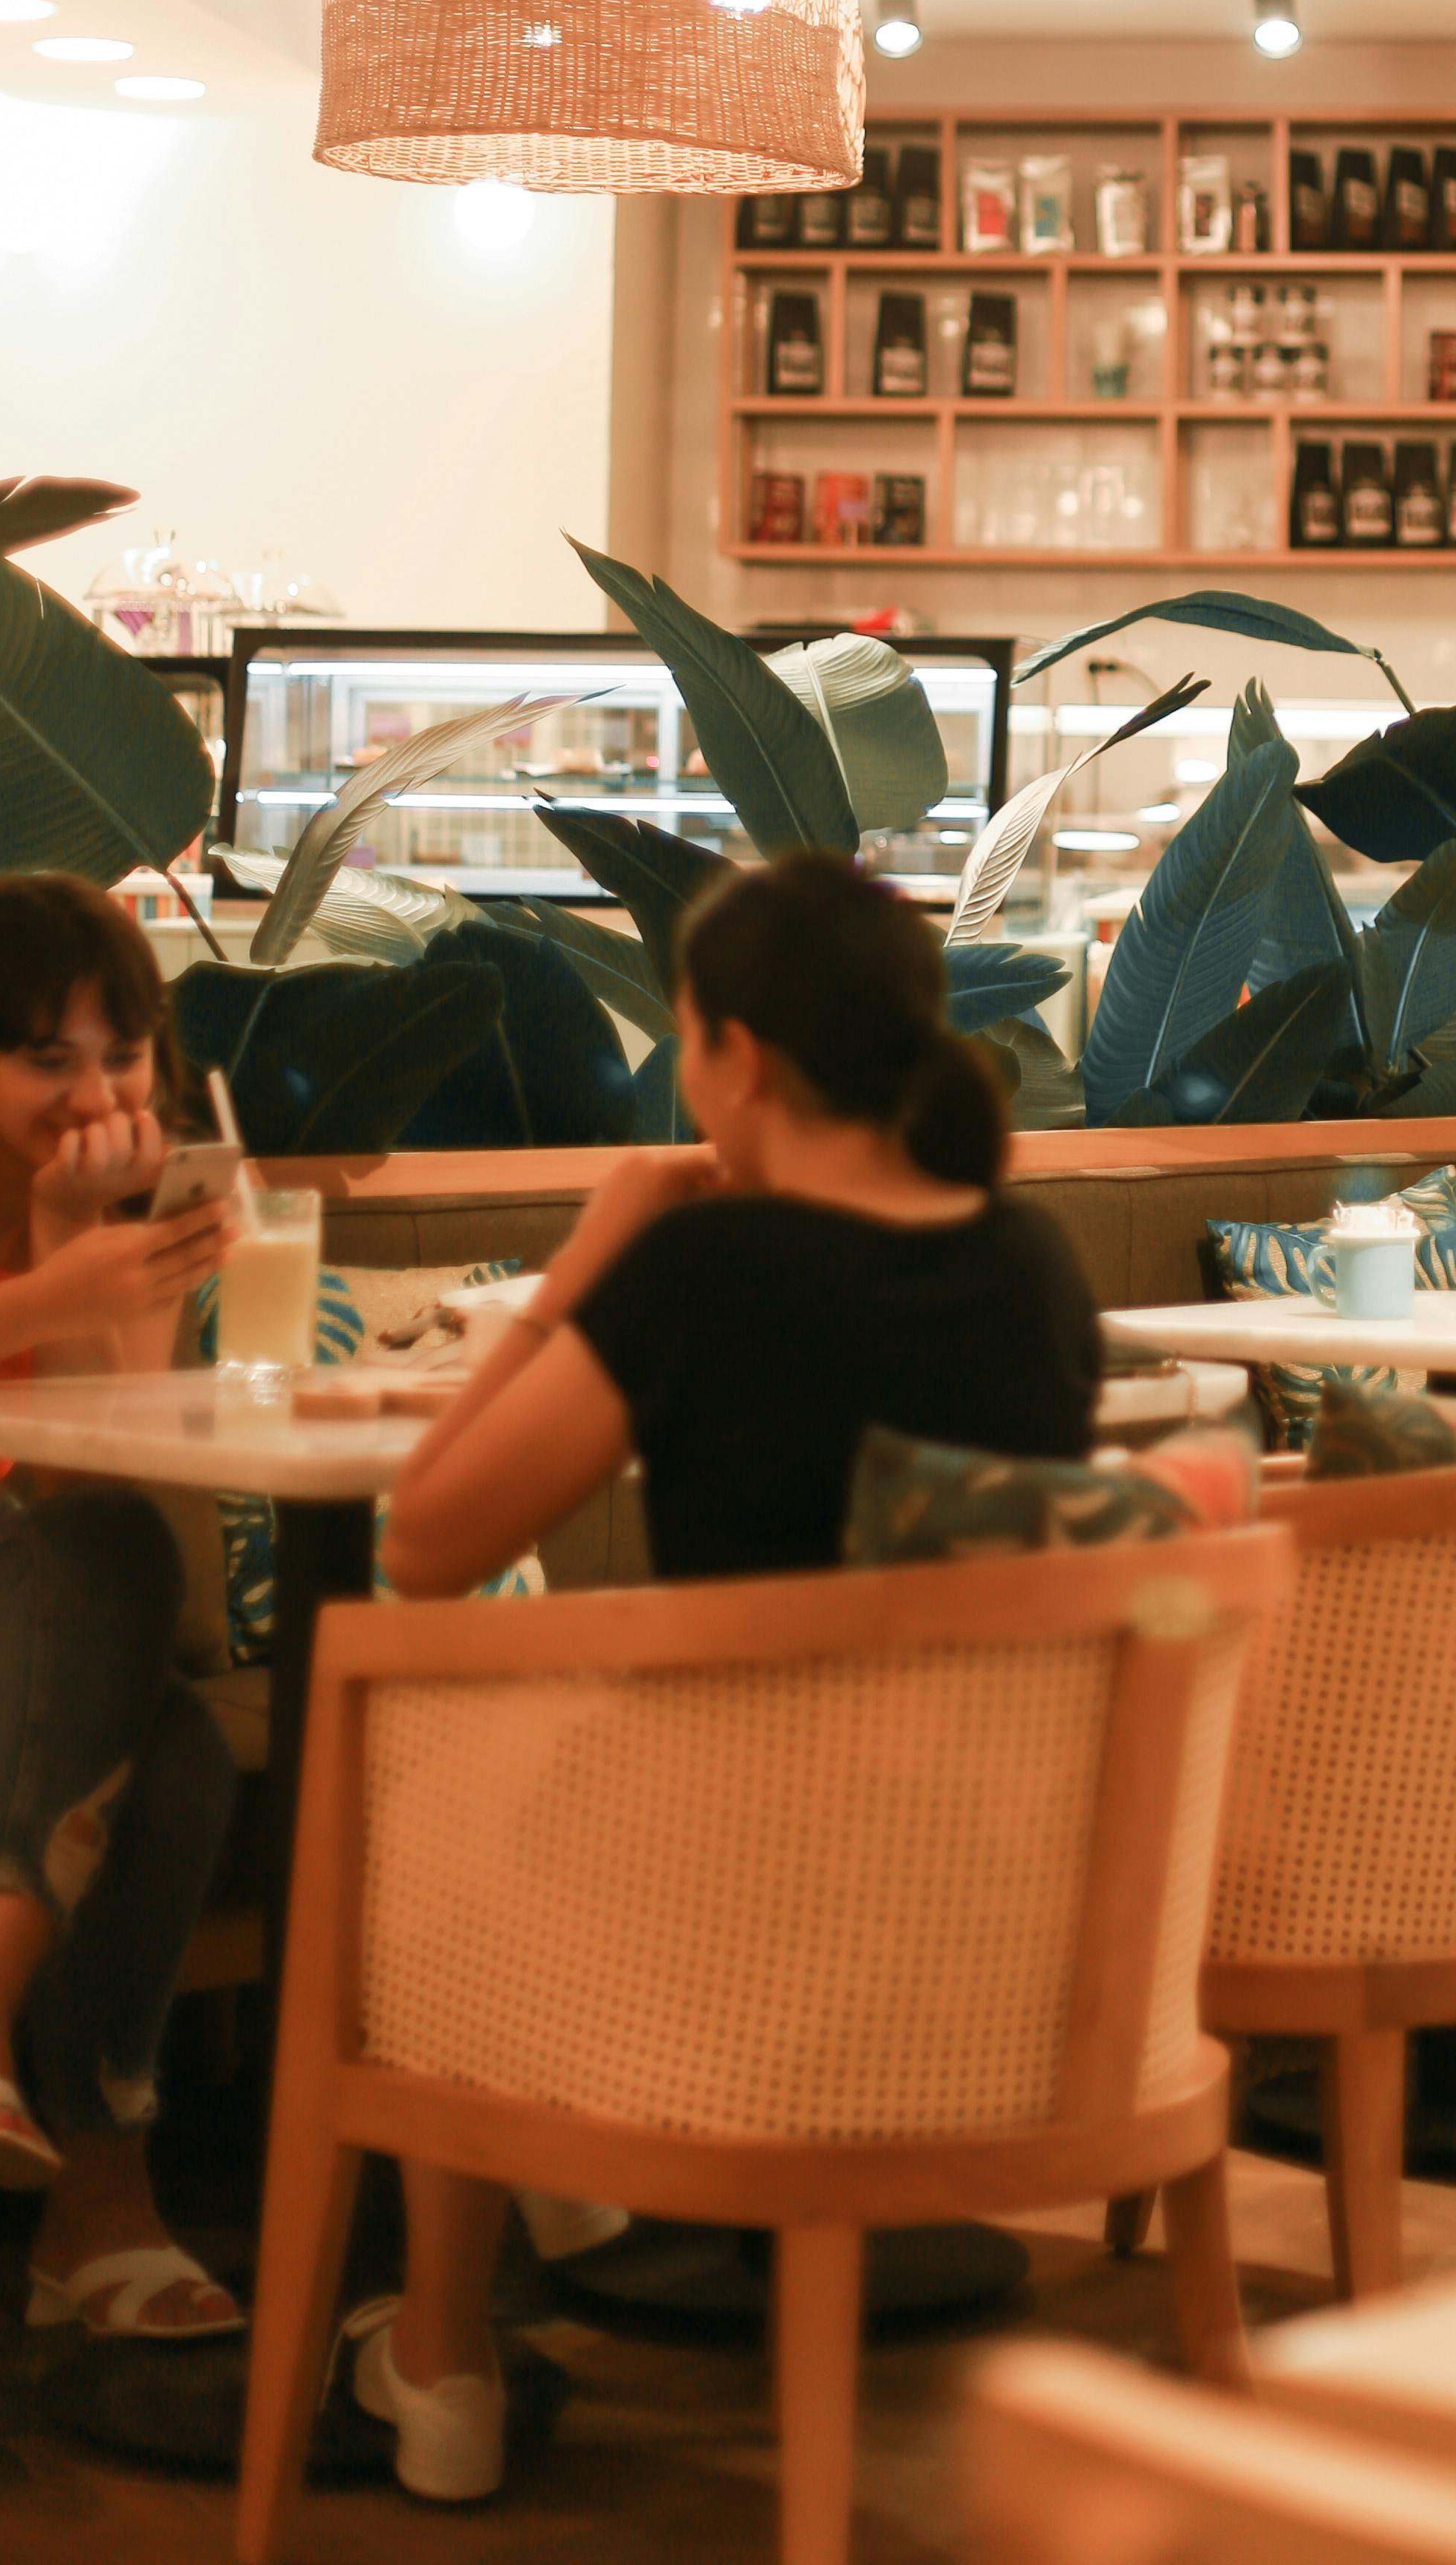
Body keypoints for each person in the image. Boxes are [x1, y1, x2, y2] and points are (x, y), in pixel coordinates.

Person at [351, 849, 1098, 2501]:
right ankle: (549, 2204)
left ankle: (441, 2349)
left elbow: (422, 1544)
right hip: (1019, 1920)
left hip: (738, 1944)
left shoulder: (706, 1278)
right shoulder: (1036, 1266)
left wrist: (591, 1257)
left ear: (736, 1058)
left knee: (422, 1771)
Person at [0, 873, 242, 2340]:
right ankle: (100, 2204)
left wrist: (77, 1255)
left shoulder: (110, 1206)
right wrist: (51, 1294)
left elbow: (111, 1469)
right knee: (162, 1760)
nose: (93, 1090)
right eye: (48, 1055)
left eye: (123, 1051)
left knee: (112, 1564)